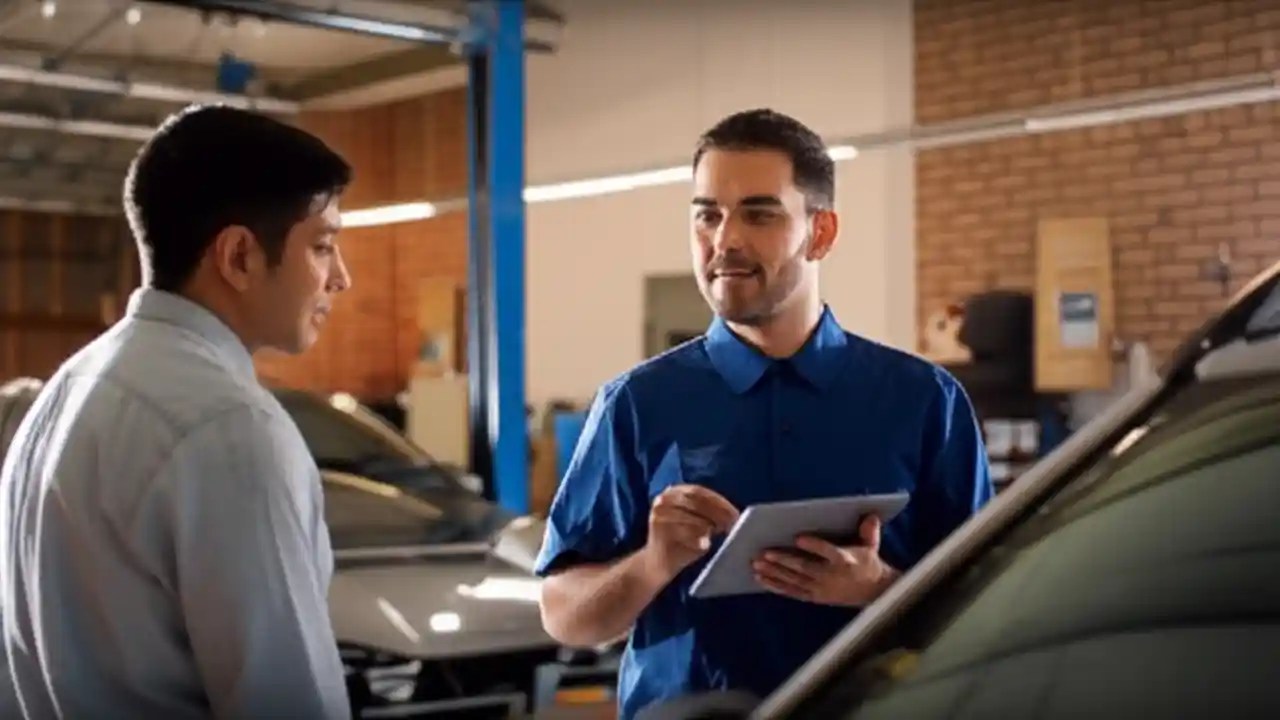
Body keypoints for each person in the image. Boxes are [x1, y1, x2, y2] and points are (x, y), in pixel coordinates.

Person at [535, 108, 994, 719]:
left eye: (759, 213)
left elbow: (992, 605)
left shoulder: (923, 401)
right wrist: (652, 563)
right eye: (707, 215)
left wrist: (879, 590)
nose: (724, 239)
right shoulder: (637, 404)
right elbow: (565, 616)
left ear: (821, 233)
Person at [0, 105, 355, 719]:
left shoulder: (63, 392)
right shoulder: (231, 430)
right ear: (239, 256)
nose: (340, 279)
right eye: (322, 246)